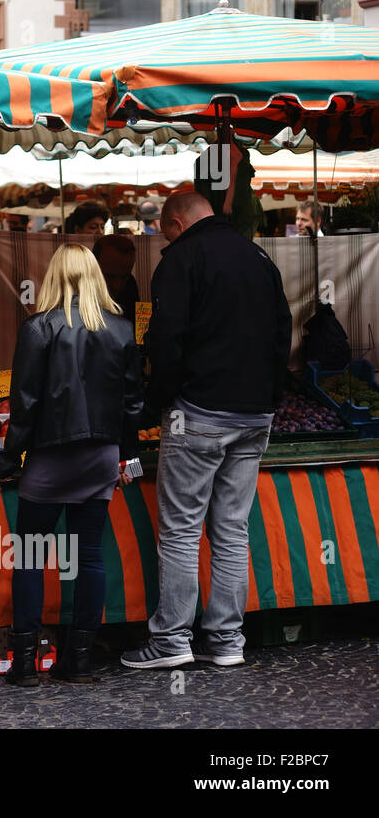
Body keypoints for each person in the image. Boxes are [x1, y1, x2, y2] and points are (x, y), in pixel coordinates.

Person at [122, 192, 292, 670]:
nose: (161, 239)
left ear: (176, 223)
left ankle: (173, 639)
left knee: (180, 531)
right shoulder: (259, 257)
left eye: (162, 231)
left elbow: (166, 339)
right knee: (232, 531)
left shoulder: (181, 260)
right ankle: (226, 640)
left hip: (197, 412)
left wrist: (159, 400)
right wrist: (271, 397)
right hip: (255, 415)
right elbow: (284, 333)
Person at [0, 244, 143, 686]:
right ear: (95, 276)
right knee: (88, 556)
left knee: (33, 557)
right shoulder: (121, 329)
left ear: (55, 276)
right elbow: (133, 403)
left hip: (51, 458)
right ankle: (78, 662)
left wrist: (7, 458)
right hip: (101, 457)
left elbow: (26, 404)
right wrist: (126, 457)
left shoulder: (39, 328)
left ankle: (24, 665)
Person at [91, 234, 139, 318]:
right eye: (109, 276)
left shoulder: (130, 285)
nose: (117, 285)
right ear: (93, 266)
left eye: (124, 277)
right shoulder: (79, 287)